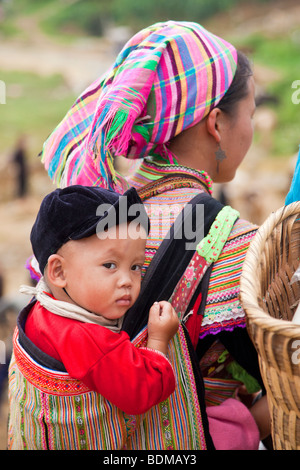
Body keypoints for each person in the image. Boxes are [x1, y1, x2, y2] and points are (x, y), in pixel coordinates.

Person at [22, 21, 271, 450]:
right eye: (248, 114)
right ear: (216, 123)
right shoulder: (236, 241)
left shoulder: (90, 219)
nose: (249, 128)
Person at [8, 185, 179, 450]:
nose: (128, 281)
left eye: (136, 267)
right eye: (110, 265)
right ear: (58, 272)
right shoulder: (89, 339)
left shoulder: (39, 309)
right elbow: (142, 392)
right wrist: (158, 339)